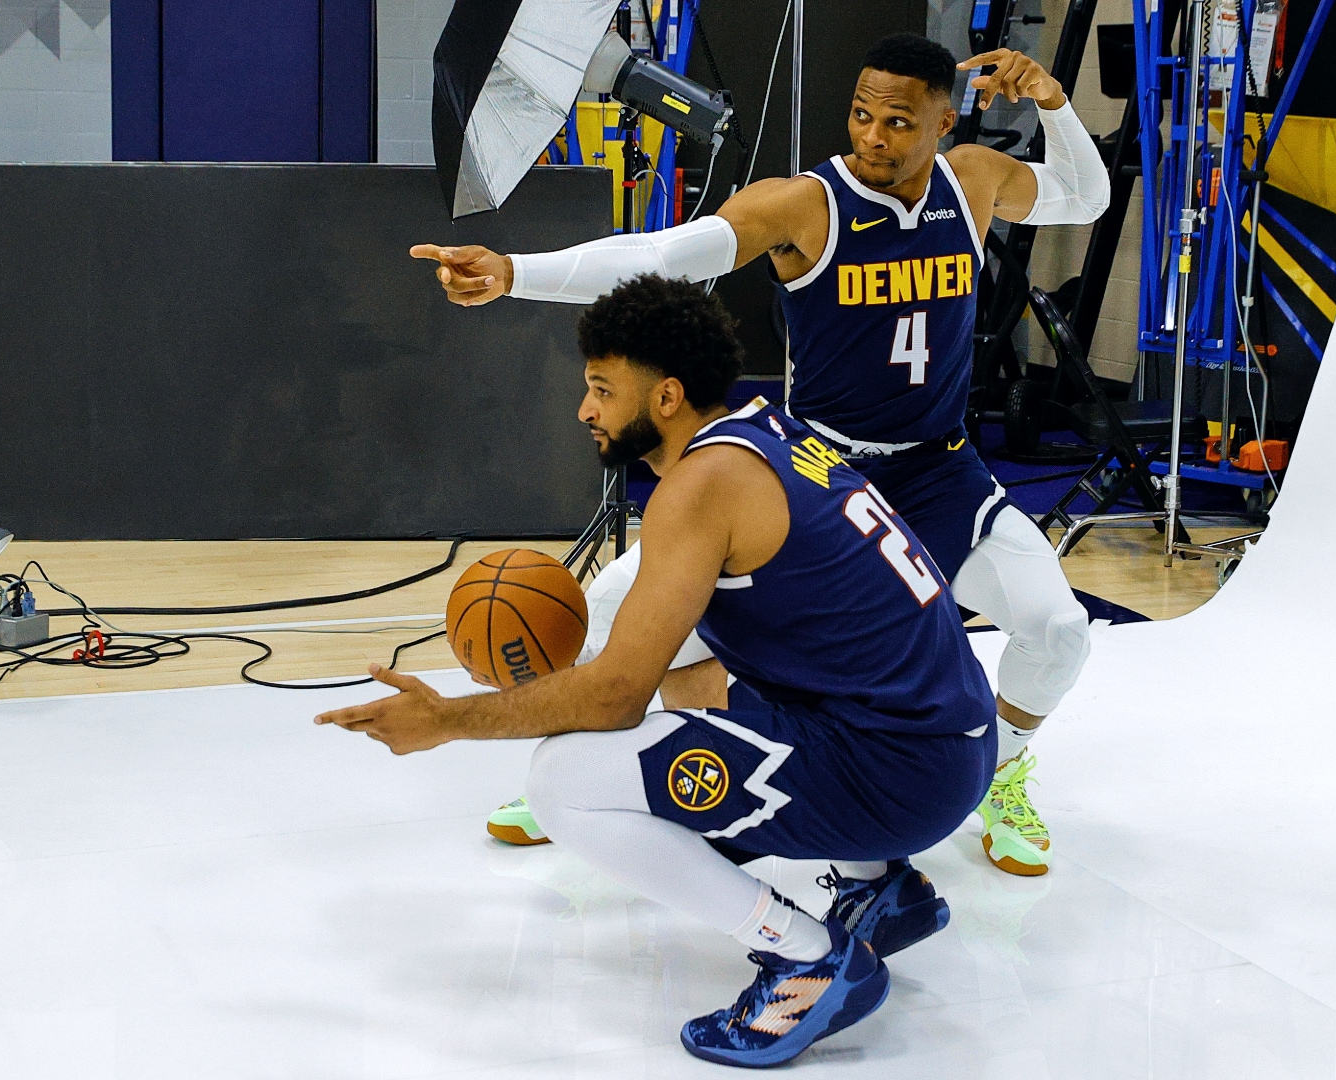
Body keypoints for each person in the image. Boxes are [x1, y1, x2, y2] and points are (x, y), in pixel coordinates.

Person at [417, 34, 1108, 877]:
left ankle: (997, 769)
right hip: (818, 478)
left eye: (898, 122)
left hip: (937, 471)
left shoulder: (973, 182)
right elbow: (661, 257)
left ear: (943, 122)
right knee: (608, 612)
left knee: (1059, 630)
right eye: (861, 114)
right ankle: (576, 766)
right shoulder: (805, 205)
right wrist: (513, 272)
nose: (873, 135)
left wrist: (1054, 103)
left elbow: (1087, 195)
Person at [318, 276, 997, 1067]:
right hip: (942, 742)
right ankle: (882, 888)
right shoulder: (766, 432)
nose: (586, 410)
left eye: (603, 390)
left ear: (667, 397)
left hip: (901, 773)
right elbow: (689, 668)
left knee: (566, 782)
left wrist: (447, 721)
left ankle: (808, 959)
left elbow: (613, 696)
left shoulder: (701, 487)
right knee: (671, 669)